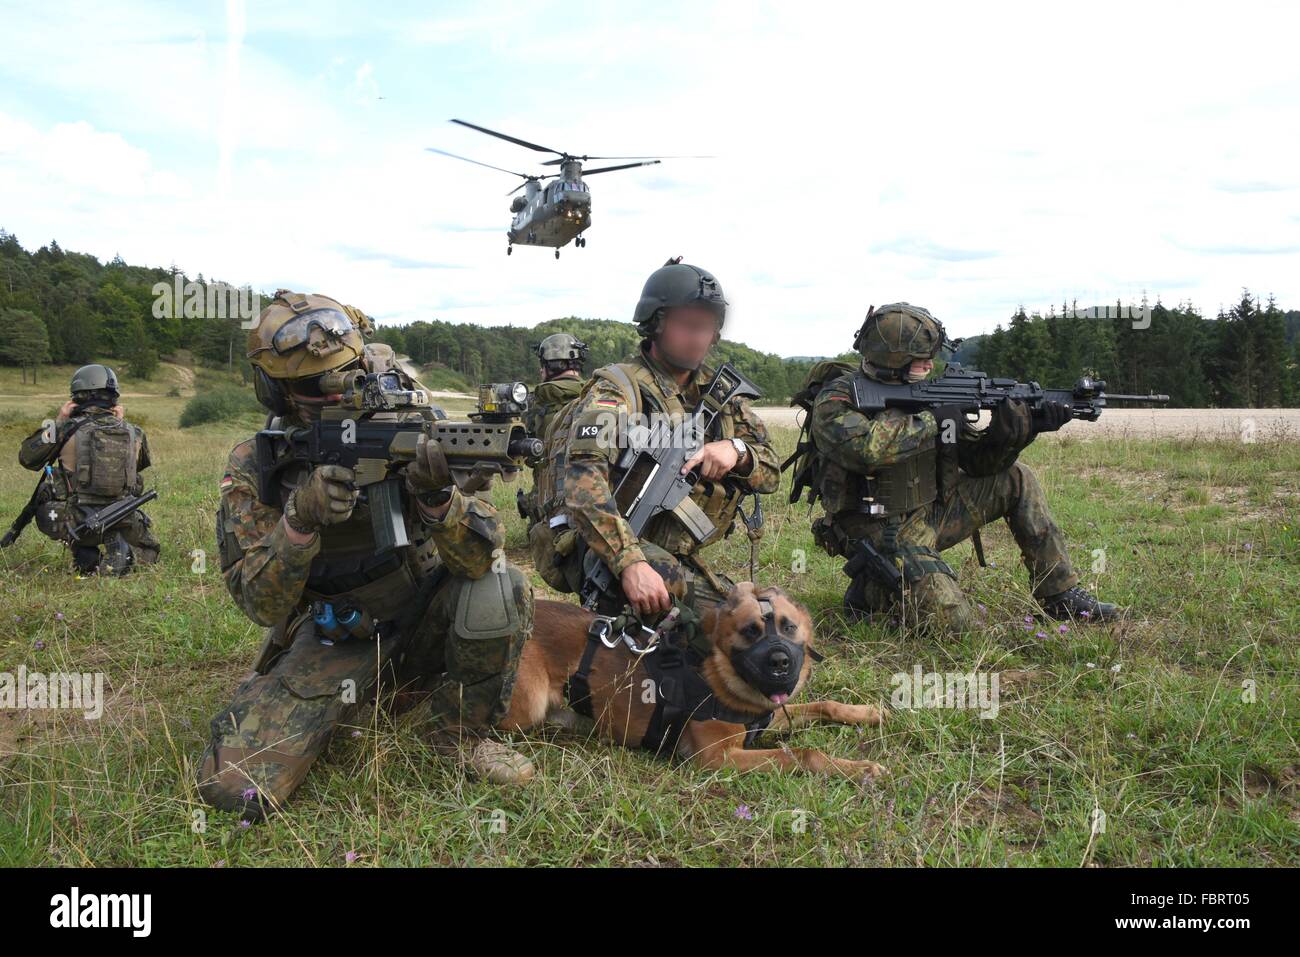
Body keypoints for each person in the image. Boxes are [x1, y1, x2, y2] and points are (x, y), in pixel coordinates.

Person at [197, 290, 535, 819]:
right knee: (237, 789)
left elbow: (478, 558)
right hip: (341, 630)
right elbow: (259, 602)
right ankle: (307, 690)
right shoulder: (253, 463)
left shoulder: (415, 423)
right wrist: (298, 523)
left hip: (424, 610)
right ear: (275, 391)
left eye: (349, 374)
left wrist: (438, 501)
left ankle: (460, 734)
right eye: (313, 388)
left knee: (501, 585)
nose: (335, 396)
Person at [808, 302, 1121, 634]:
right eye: (920, 358)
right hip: (877, 530)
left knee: (1017, 478)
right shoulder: (839, 398)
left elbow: (977, 464)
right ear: (892, 359)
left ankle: (1059, 593)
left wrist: (1015, 434)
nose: (931, 363)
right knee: (953, 624)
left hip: (932, 511)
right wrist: (934, 420)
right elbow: (865, 449)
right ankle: (872, 589)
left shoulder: (932, 391)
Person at [557, 259, 780, 618]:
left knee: (754, 628)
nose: (699, 338)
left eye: (708, 328)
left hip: (673, 553)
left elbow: (770, 471)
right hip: (611, 546)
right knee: (729, 630)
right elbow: (583, 481)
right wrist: (629, 562)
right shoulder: (619, 389)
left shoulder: (721, 395)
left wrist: (737, 451)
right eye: (689, 326)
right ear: (656, 324)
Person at [17, 364, 159, 575]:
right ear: (114, 397)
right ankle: (117, 550)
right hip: (123, 519)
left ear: (76, 397)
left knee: (47, 505)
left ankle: (87, 555)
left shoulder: (65, 429)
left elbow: (27, 459)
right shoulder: (134, 432)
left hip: (74, 521)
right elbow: (133, 469)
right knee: (150, 552)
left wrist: (58, 421)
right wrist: (119, 425)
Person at [519, 332, 587, 526]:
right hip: (594, 499)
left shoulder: (535, 402)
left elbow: (528, 457)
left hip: (548, 507)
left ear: (548, 365)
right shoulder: (594, 397)